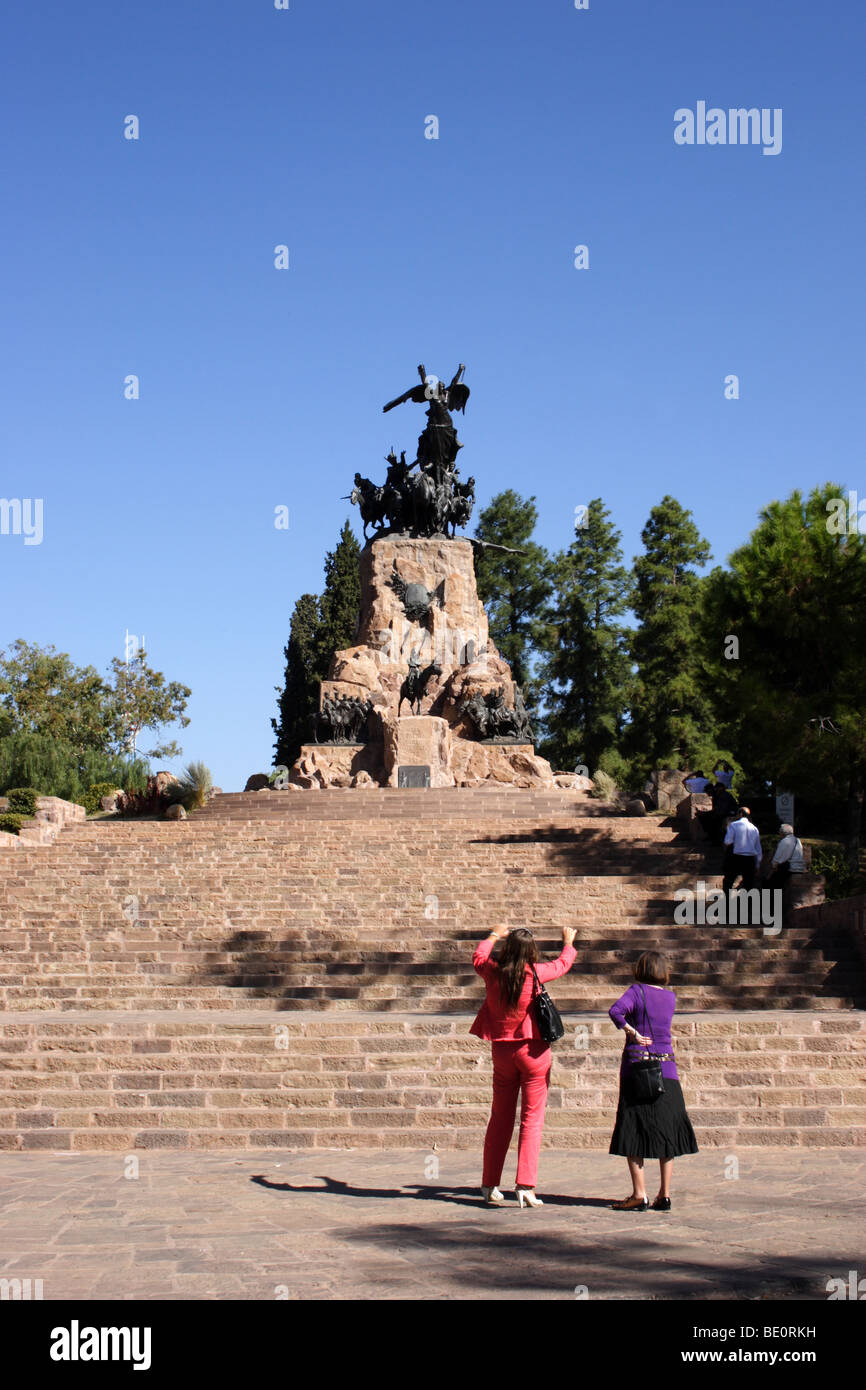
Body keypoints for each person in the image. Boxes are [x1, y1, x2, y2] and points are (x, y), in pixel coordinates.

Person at [470, 924, 577, 1207]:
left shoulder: (492, 971)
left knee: (500, 1118)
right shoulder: (536, 973)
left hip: (502, 1051)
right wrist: (568, 942)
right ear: (531, 952)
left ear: (507, 949)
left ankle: (489, 1182)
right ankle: (525, 1184)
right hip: (534, 1051)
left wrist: (494, 935)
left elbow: (478, 956)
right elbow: (563, 964)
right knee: (532, 1119)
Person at [608, 952, 698, 1211]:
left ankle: (639, 1193)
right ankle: (665, 1194)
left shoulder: (637, 992)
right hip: (667, 1069)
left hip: (638, 1068)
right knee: (667, 1131)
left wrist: (633, 1032)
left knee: (633, 1128)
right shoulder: (670, 997)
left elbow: (616, 1011)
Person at [722, 806, 762, 914]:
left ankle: (727, 908)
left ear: (739, 814)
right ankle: (748, 911)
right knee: (749, 885)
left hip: (737, 857)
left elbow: (728, 841)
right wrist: (757, 864)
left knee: (728, 882)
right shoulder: (754, 828)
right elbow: (758, 848)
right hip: (750, 859)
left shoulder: (734, 825)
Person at [766, 823, 805, 892]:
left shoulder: (784, 841)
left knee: (769, 883)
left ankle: (772, 902)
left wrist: (772, 868)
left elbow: (777, 859)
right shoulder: (797, 840)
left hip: (791, 868)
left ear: (783, 833)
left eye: (780, 832)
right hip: (799, 867)